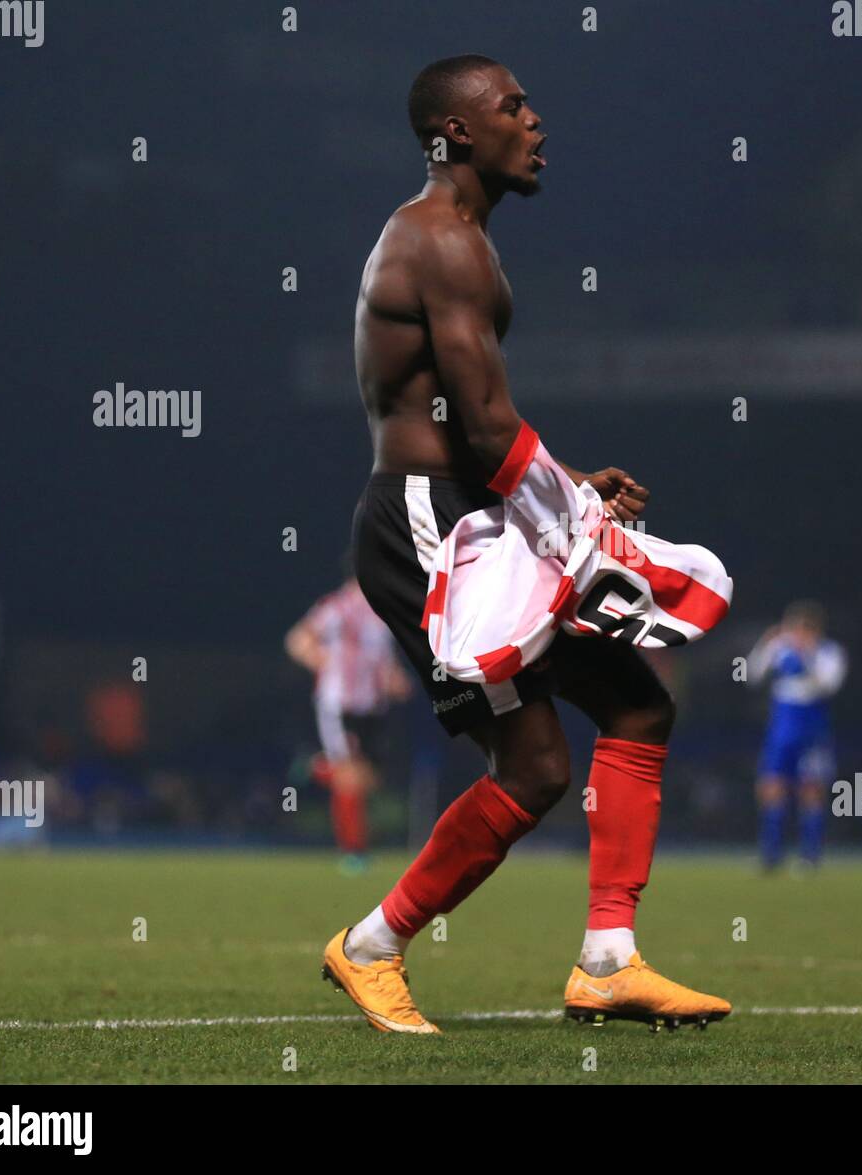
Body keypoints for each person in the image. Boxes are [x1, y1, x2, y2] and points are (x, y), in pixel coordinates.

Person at [319, 55, 730, 1033]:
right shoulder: (437, 241)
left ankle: (607, 961)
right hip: (434, 523)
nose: (536, 121)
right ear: (457, 132)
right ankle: (370, 946)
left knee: (637, 705)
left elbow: (483, 421)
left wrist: (571, 486)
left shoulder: (456, 240)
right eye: (513, 106)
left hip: (479, 504)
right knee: (538, 764)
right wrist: (592, 535)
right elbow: (490, 434)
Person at [286, 578, 411, 872]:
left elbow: (382, 657)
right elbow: (297, 640)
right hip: (339, 704)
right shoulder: (338, 606)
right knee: (349, 777)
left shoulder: (383, 611)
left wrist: (394, 679)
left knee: (370, 778)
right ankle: (353, 852)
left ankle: (314, 767)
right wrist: (322, 661)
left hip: (372, 706)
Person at [748, 601, 847, 869]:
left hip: (812, 731)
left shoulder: (829, 653)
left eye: (805, 628)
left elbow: (829, 685)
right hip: (781, 729)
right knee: (772, 787)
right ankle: (771, 855)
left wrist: (808, 656)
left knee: (811, 789)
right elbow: (752, 675)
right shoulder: (780, 650)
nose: (798, 634)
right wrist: (764, 645)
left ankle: (810, 855)